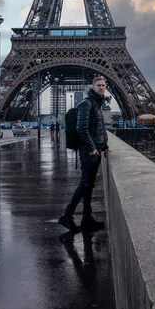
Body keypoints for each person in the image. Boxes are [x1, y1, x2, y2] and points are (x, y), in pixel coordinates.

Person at [58, 76, 112, 232]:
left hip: (94, 149)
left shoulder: (96, 104)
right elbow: (81, 128)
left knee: (89, 185)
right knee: (85, 184)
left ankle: (87, 217)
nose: (102, 88)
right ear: (93, 86)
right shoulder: (86, 104)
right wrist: (92, 148)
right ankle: (66, 216)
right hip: (88, 151)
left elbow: (98, 129)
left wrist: (104, 146)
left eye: (103, 85)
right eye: (99, 85)